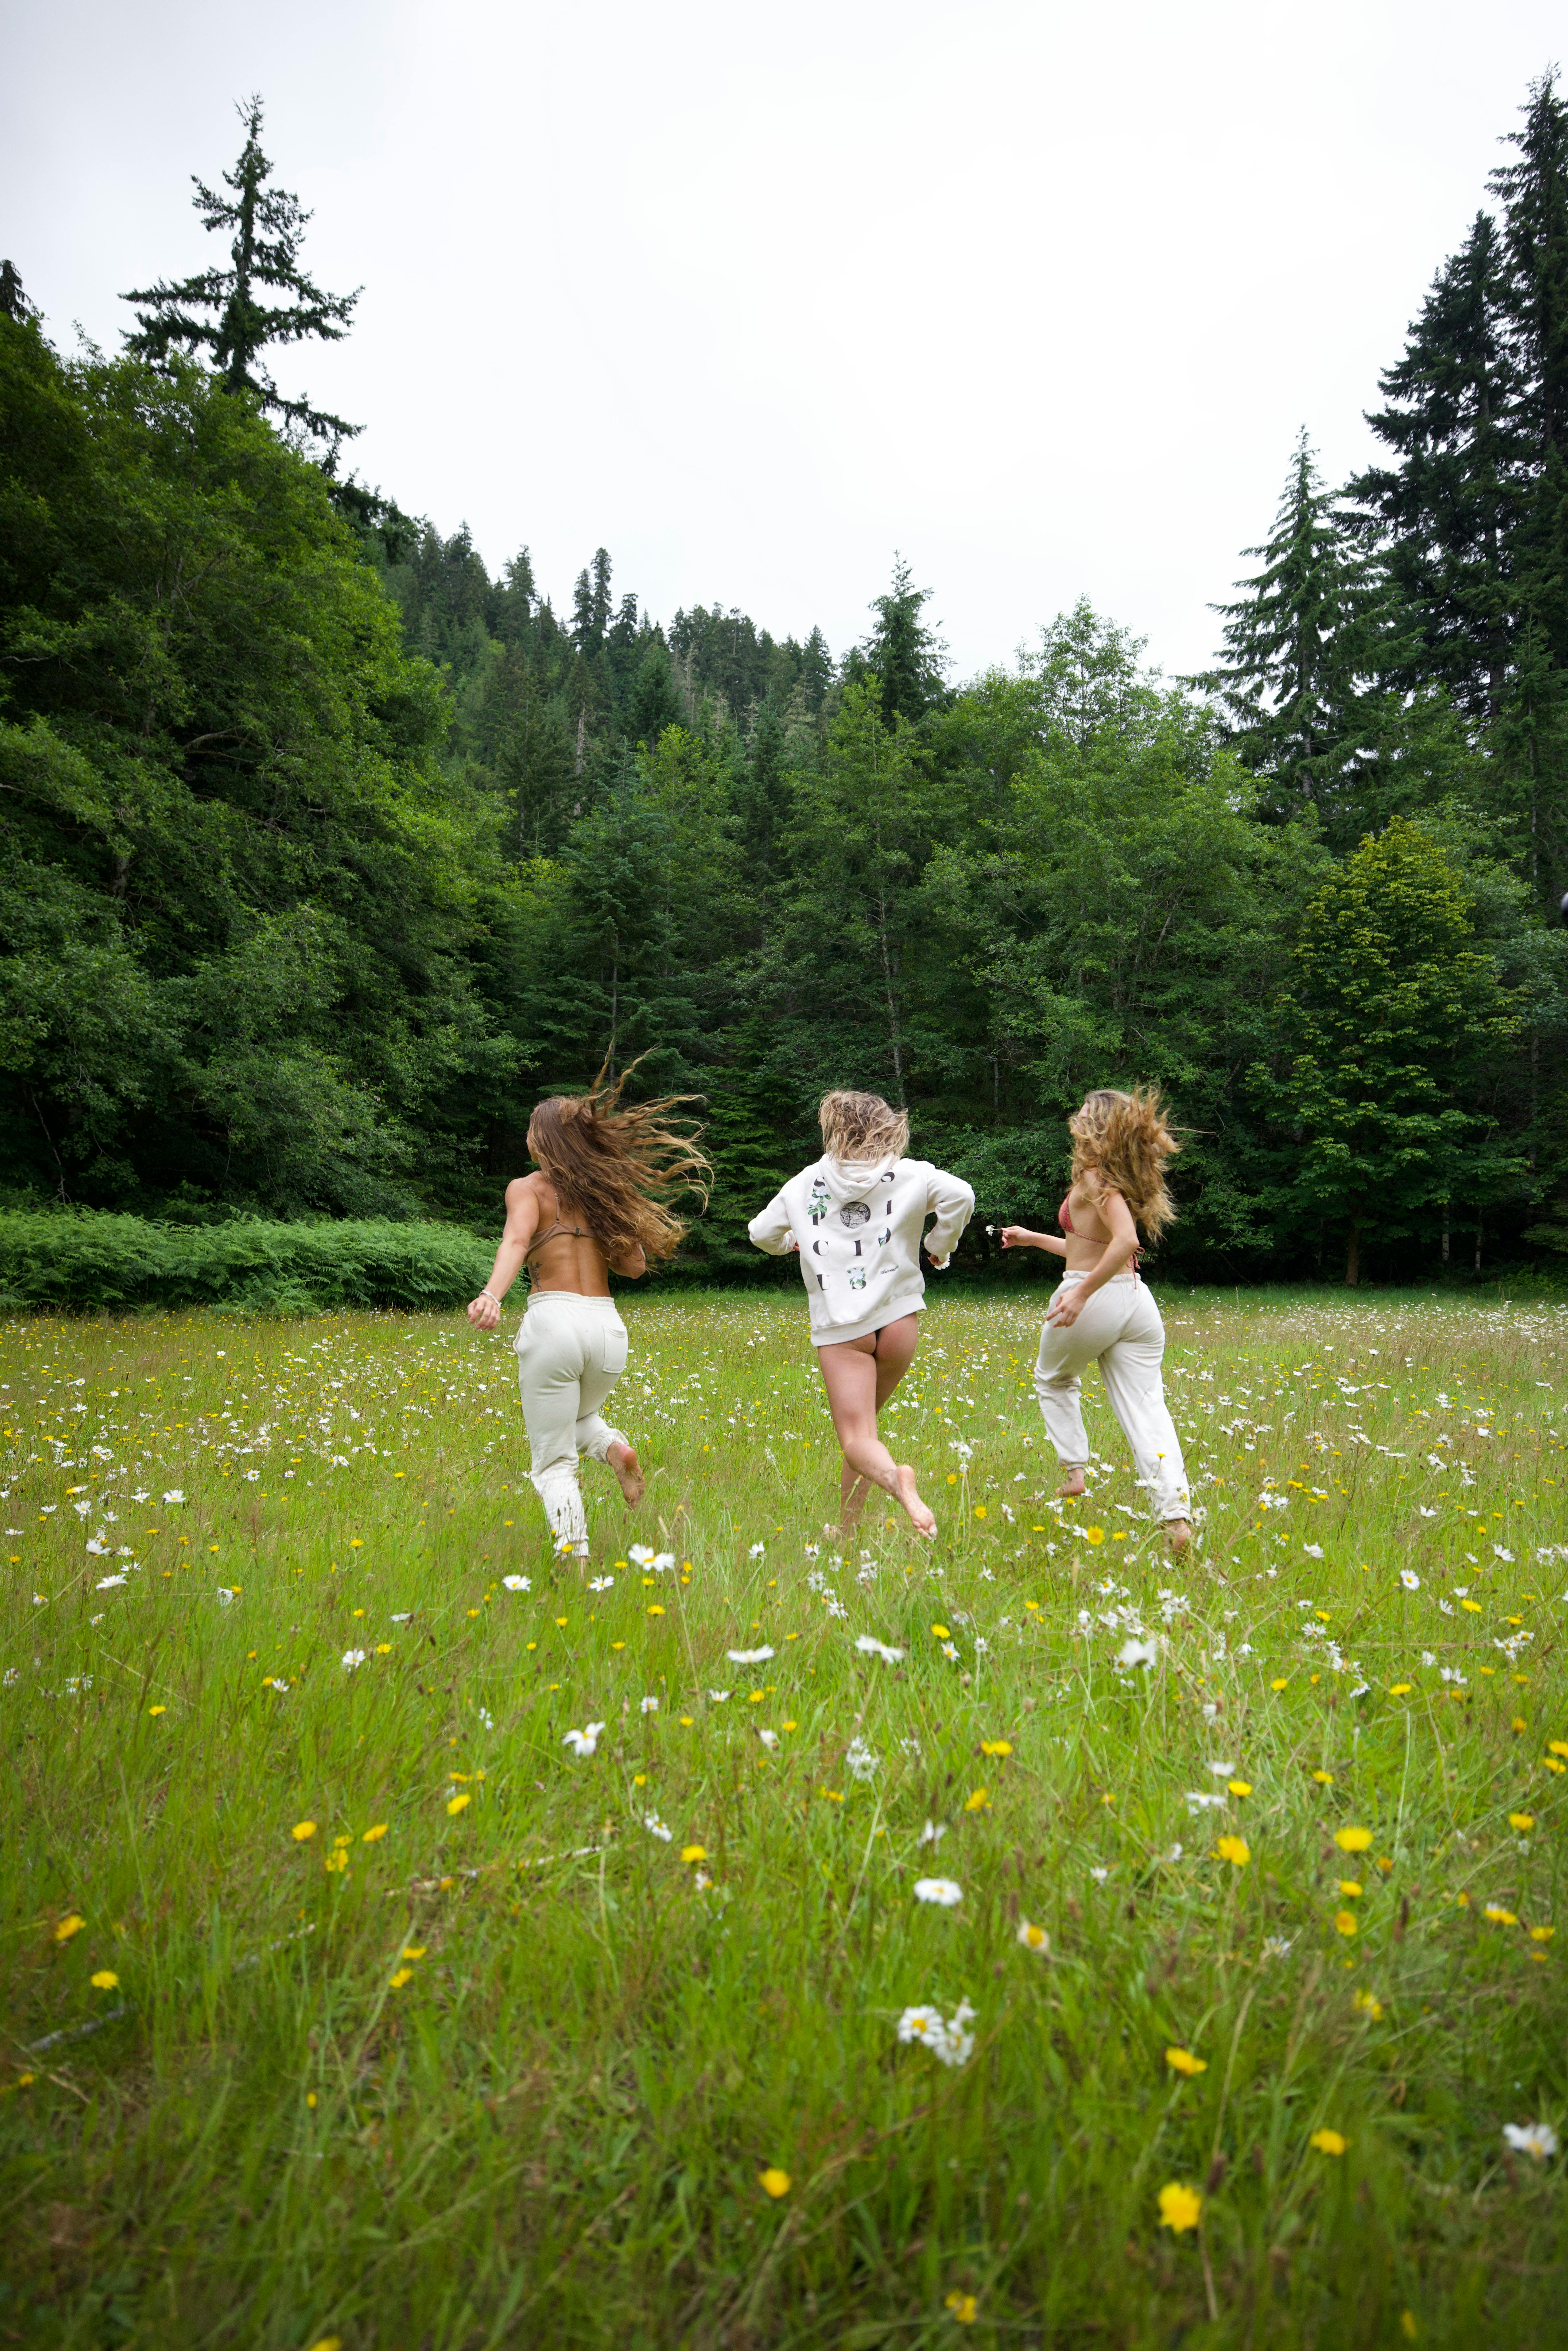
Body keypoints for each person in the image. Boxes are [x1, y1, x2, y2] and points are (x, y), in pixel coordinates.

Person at [466, 1068, 709, 1563]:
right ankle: (614, 1448)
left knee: (553, 1462)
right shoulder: (605, 1196)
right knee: (577, 1419)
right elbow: (636, 1267)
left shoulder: (527, 1189)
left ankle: (575, 1561)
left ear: (542, 1144)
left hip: (555, 1322)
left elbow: (515, 1240)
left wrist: (492, 1294)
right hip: (607, 1330)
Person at [749, 1089, 974, 1539]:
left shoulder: (805, 1182)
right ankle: (848, 1529)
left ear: (832, 1128)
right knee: (864, 1434)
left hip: (842, 1328)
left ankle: (898, 1481)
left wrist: (794, 1241)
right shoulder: (910, 1174)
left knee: (856, 1440)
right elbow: (962, 1197)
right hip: (898, 1319)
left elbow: (761, 1233)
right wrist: (937, 1247)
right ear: (887, 1125)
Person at [1001, 1086, 1192, 1555]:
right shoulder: (1112, 1178)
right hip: (1135, 1303)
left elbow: (1125, 1241)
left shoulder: (1093, 1176)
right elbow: (1091, 1250)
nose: (1076, 1117)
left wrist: (1081, 1294)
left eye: (1084, 1112)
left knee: (1053, 1378)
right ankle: (1177, 1520)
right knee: (1148, 1409)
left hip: (1095, 1296)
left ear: (1097, 1125)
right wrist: (1032, 1239)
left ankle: (1075, 1474)